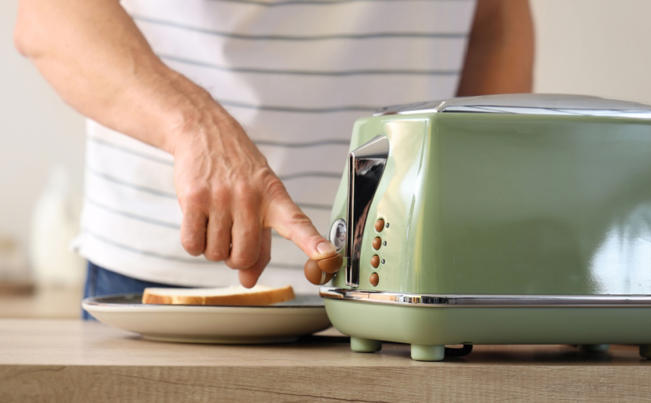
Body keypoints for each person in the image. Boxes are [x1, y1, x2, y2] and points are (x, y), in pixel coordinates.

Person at [14, 0, 533, 312]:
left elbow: (494, 13)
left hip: (411, 291)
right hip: (168, 282)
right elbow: (48, 14)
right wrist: (196, 126)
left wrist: (485, 240)